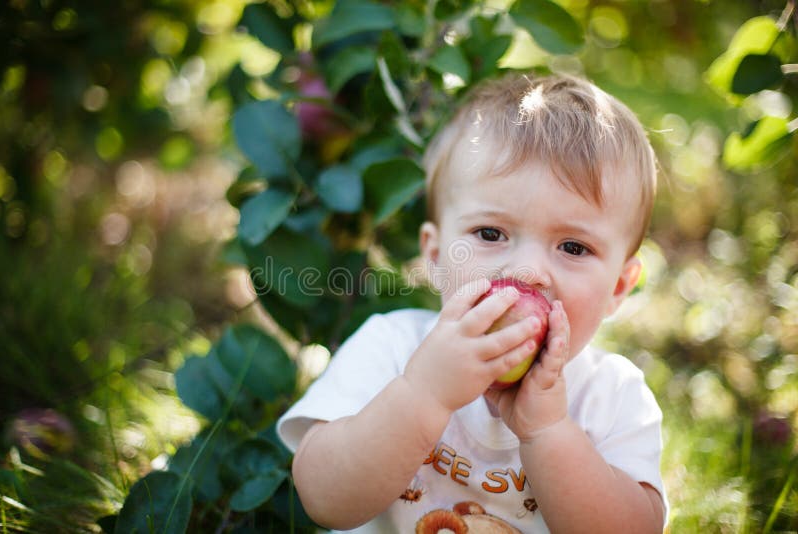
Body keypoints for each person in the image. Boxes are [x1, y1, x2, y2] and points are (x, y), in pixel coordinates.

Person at [276, 72, 667, 533]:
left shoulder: (612, 396)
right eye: (491, 234)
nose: (526, 272)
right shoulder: (392, 347)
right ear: (436, 256)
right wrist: (424, 393)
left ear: (618, 287)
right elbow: (324, 498)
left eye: (573, 247)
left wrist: (548, 430)